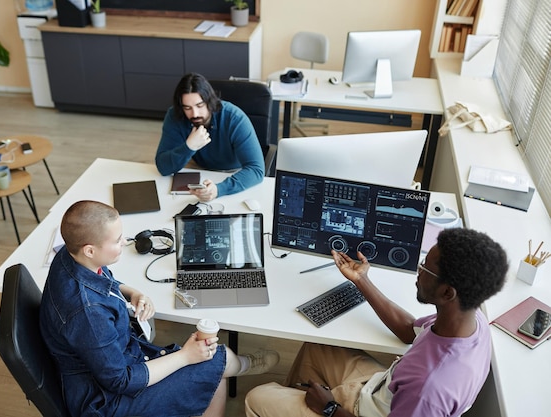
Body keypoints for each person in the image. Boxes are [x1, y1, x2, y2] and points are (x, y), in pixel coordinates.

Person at [39, 200, 279, 417]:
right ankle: (242, 365)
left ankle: (236, 366)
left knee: (212, 361)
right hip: (105, 401)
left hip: (111, 363)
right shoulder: (88, 314)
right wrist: (185, 356)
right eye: (116, 240)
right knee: (215, 358)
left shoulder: (69, 256)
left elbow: (102, 280)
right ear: (90, 250)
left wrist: (132, 291)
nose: (124, 242)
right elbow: (121, 381)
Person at [245, 228, 508, 417]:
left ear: (447, 292)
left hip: (372, 408)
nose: (418, 271)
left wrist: (329, 409)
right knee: (318, 346)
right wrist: (361, 280)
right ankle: (297, 400)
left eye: (424, 268)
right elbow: (408, 330)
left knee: (257, 397)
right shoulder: (470, 320)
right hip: (380, 388)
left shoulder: (428, 390)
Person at [155, 72, 265, 202]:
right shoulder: (175, 116)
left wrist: (219, 189)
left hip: (233, 174)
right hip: (197, 170)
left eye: (199, 106)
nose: (194, 114)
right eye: (187, 108)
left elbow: (256, 170)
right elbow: (163, 167)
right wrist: (189, 146)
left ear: (210, 101)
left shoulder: (234, 118)